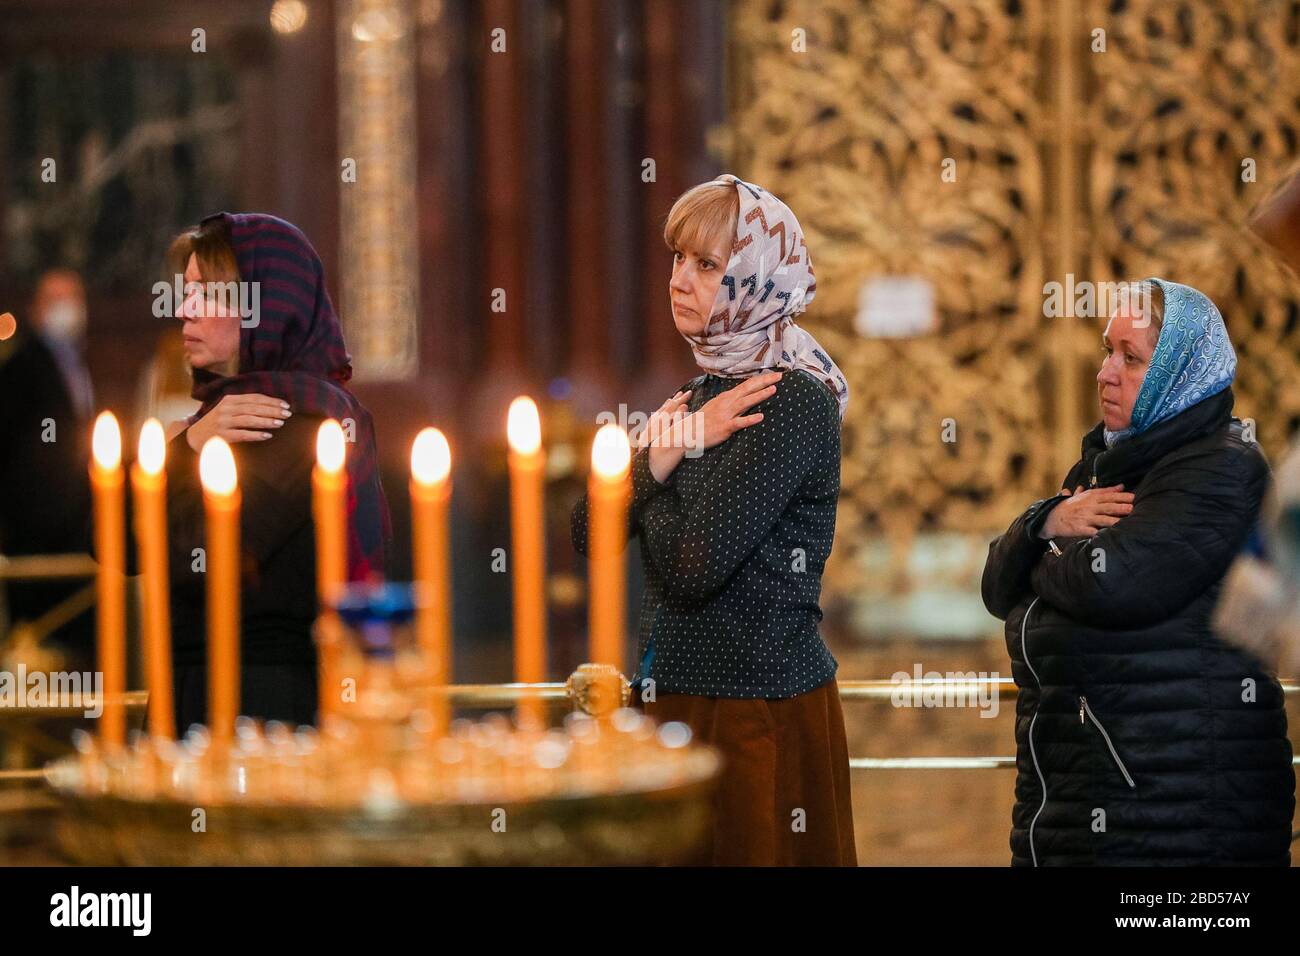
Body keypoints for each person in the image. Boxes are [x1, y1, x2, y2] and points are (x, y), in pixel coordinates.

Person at [570, 174, 856, 866]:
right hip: (674, 702)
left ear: (757, 277)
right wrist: (668, 450)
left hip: (756, 712)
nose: (680, 280)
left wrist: (658, 458)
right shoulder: (698, 395)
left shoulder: (791, 401)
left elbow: (694, 566)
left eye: (706, 265)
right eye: (676, 259)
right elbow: (586, 531)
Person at [982, 278, 1295, 866]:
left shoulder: (1222, 468)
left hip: (1180, 818)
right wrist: (1045, 524)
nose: (1105, 372)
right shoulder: (1108, 463)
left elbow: (1109, 584)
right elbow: (996, 586)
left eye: (1132, 358)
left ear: (1182, 371)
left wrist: (1040, 555)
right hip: (1085, 807)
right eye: (1107, 350)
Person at [145, 212, 391, 732]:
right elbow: (109, 541)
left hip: (259, 707)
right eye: (184, 292)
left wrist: (179, 457)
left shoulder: (295, 420)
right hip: (205, 690)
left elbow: (194, 557)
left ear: (266, 306)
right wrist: (189, 442)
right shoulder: (219, 416)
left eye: (207, 295)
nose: (184, 311)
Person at [0, 269, 95, 663]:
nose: (66, 311)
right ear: (37, 309)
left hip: (76, 527)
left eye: (72, 299)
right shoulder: (22, 367)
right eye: (55, 301)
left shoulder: (78, 362)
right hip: (42, 534)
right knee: (46, 651)